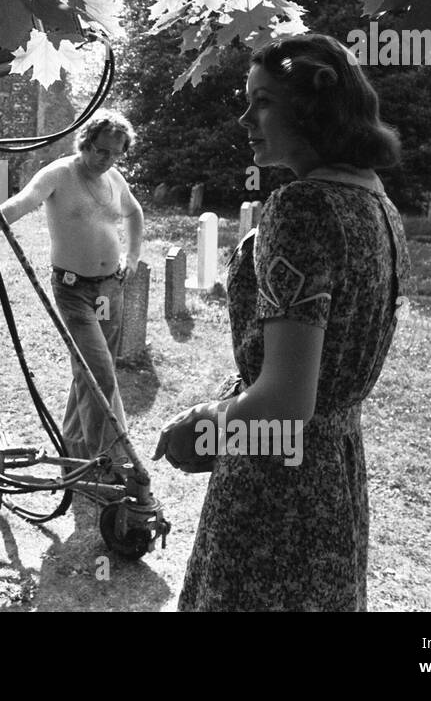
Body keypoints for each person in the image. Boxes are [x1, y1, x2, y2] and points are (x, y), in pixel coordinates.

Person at [153, 34, 410, 611]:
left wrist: (202, 427)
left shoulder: (305, 208)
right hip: (335, 471)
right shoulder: (377, 204)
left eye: (263, 102)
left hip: (278, 483)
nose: (245, 118)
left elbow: (287, 403)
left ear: (313, 107)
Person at [0, 109, 143, 469]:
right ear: (85, 142)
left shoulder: (114, 178)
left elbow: (134, 214)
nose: (107, 159)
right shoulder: (60, 173)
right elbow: (20, 204)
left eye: (116, 153)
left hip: (107, 291)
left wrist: (132, 257)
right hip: (74, 293)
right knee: (98, 371)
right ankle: (103, 462)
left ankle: (75, 449)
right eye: (101, 150)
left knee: (92, 370)